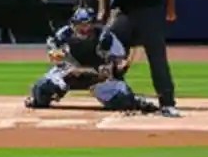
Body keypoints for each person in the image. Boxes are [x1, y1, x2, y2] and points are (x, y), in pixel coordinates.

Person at [23, 8, 160, 113]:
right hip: (69, 74)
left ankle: (136, 102)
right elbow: (54, 53)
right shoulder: (63, 35)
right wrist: (61, 59)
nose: (83, 29)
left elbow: (119, 61)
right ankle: (36, 100)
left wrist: (117, 67)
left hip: (98, 77)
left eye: (87, 24)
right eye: (79, 24)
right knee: (43, 88)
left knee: (122, 97)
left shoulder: (105, 38)